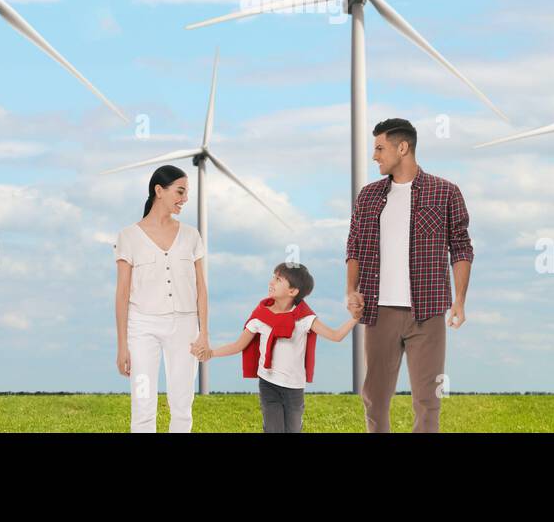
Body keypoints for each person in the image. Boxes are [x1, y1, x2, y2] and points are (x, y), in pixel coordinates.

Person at [345, 118, 473, 433]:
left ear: (402, 148)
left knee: (428, 400)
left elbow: (461, 248)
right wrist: (352, 291)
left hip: (427, 312)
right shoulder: (368, 195)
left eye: (379, 148)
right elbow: (354, 247)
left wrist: (460, 301)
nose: (374, 156)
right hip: (377, 312)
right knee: (374, 398)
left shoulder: (445, 192)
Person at [203, 262, 359, 432]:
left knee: (292, 429)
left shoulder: (304, 318)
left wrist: (355, 318)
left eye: (278, 279)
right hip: (268, 384)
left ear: (293, 291)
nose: (271, 283)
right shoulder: (260, 316)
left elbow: (335, 336)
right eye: (273, 277)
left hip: (294, 388)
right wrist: (211, 352)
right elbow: (238, 345)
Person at [114, 164, 210, 432]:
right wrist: (122, 345)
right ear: (159, 190)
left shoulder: (191, 235)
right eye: (180, 191)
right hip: (142, 327)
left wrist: (203, 333)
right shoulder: (128, 236)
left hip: (185, 326)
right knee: (143, 404)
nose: (185, 198)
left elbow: (201, 288)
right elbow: (122, 294)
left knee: (182, 404)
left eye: (187, 192)